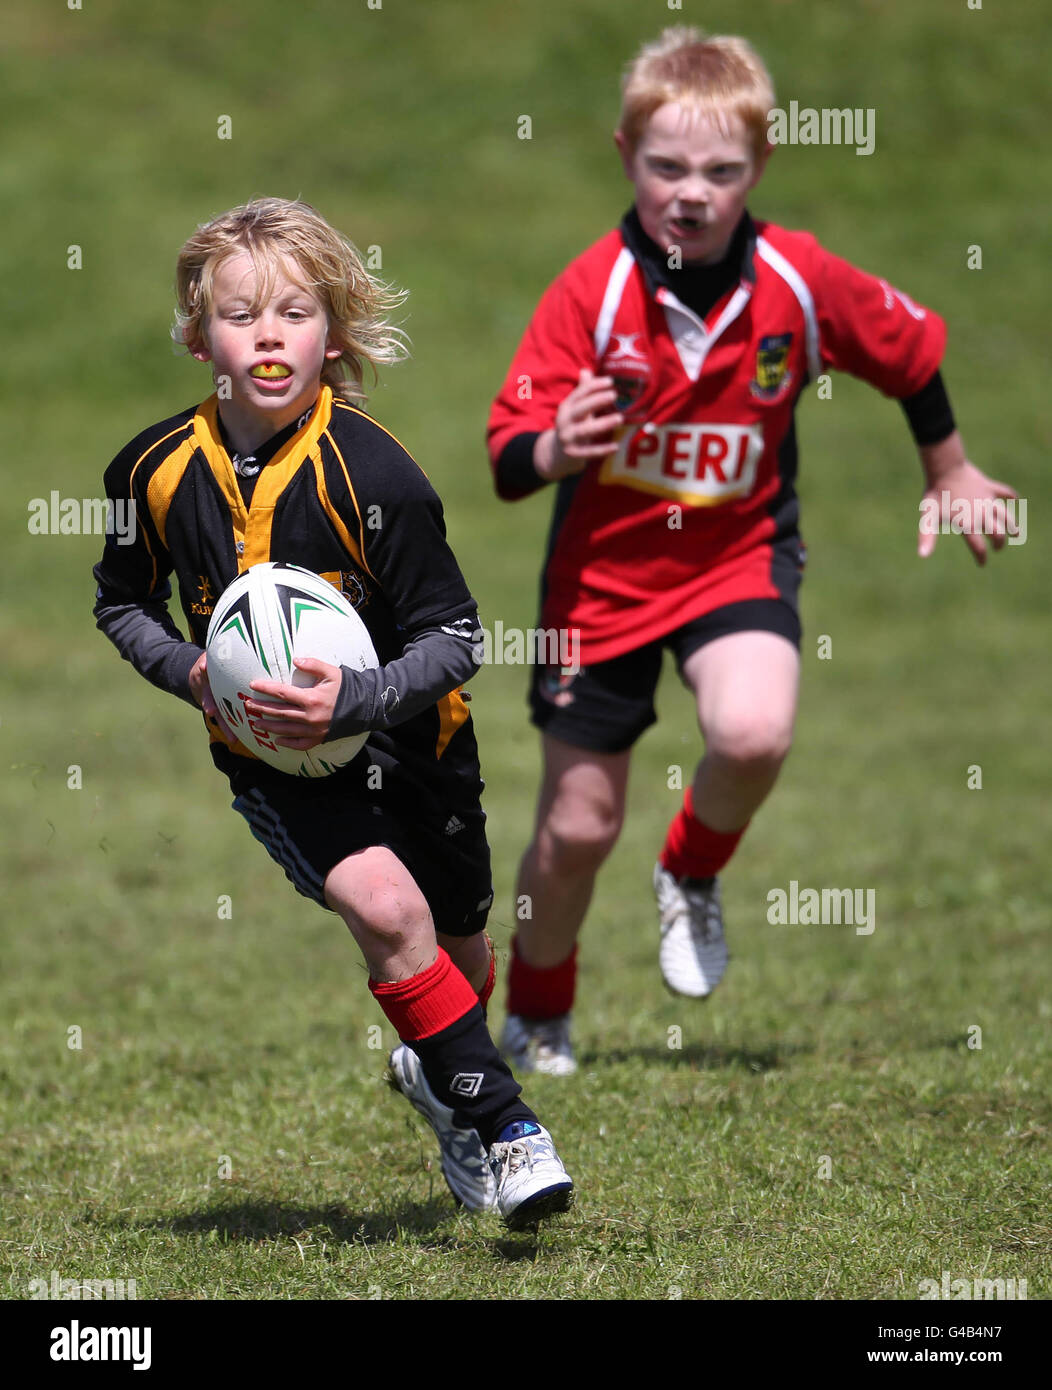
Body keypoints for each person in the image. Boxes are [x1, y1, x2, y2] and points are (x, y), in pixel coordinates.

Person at [487, 28, 1017, 1076]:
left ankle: (688, 871)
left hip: (735, 562)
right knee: (578, 827)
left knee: (756, 730)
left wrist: (948, 470)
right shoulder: (588, 291)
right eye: (665, 166)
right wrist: (559, 444)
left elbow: (906, 352)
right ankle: (537, 1011)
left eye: (720, 170)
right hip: (598, 587)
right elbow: (507, 457)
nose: (691, 192)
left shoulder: (793, 276)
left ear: (758, 168)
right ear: (624, 153)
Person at [93, 197, 573, 1225]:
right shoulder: (148, 470)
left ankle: (437, 1075)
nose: (269, 335)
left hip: (416, 743)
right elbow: (119, 598)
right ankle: (507, 1128)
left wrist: (358, 697)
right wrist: (190, 672)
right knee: (387, 913)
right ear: (196, 333)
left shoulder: (377, 473)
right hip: (274, 760)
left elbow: (453, 637)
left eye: (296, 312)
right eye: (241, 313)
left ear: (334, 331)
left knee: (457, 949)